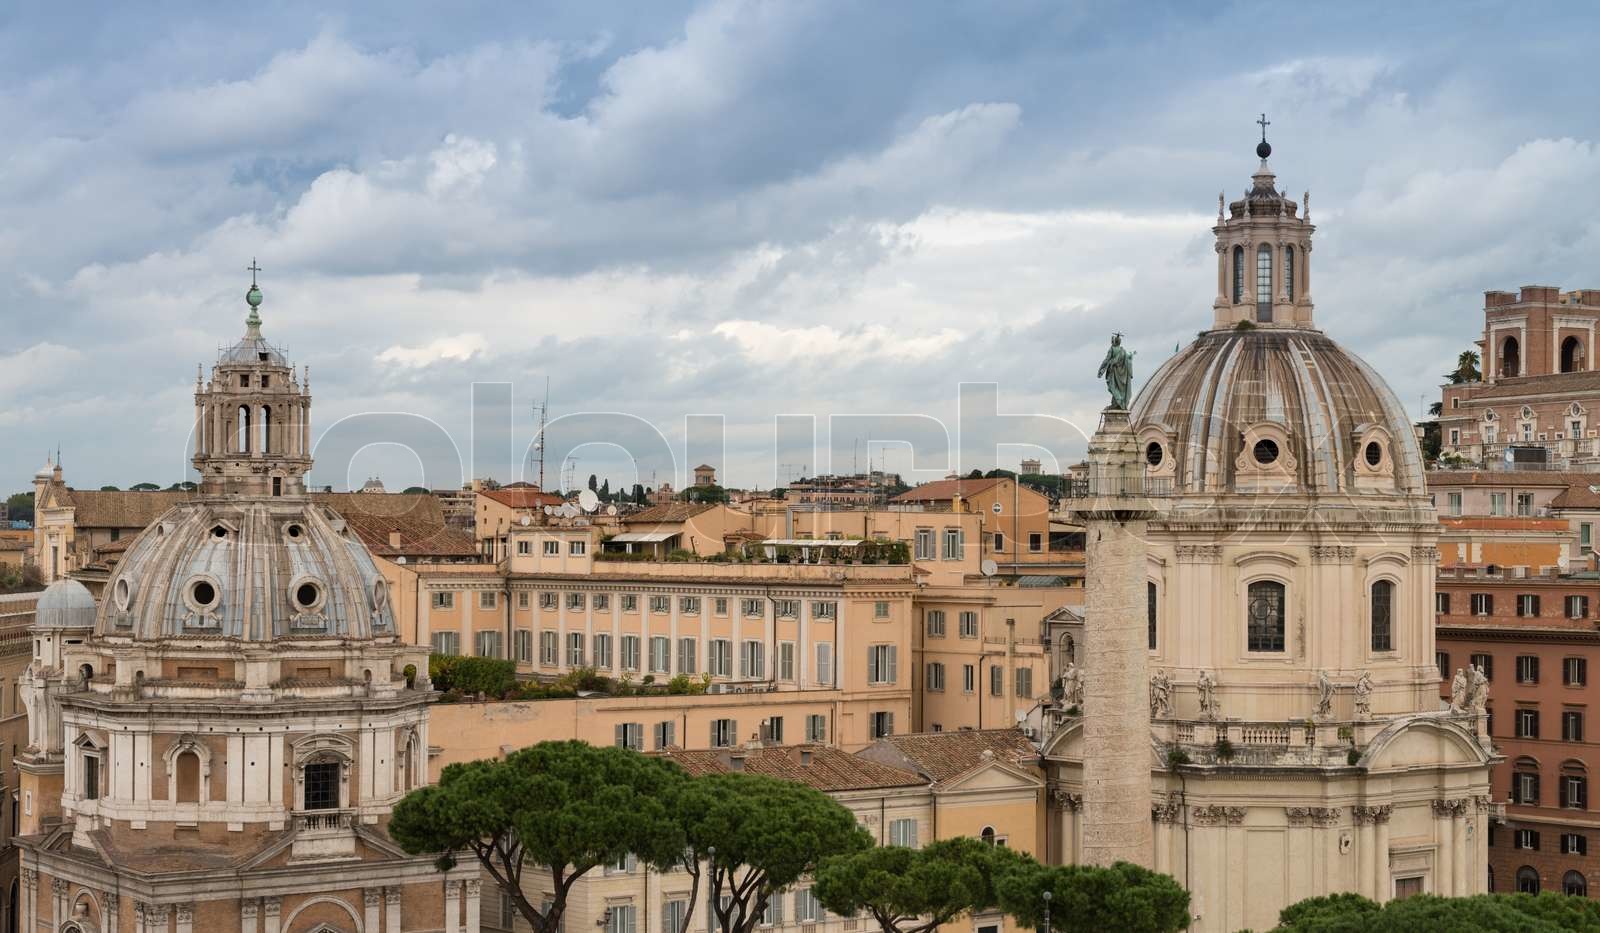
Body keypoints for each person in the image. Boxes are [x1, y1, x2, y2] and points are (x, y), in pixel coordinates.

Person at [1097, 334, 1136, 410]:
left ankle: (1119, 402)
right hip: (1122, 374)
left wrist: (1101, 369)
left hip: (1113, 373)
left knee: (1113, 387)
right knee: (1118, 389)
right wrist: (1131, 355)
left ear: (1115, 341)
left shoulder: (1112, 349)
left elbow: (1106, 360)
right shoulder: (1123, 351)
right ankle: (1117, 403)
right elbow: (1128, 359)